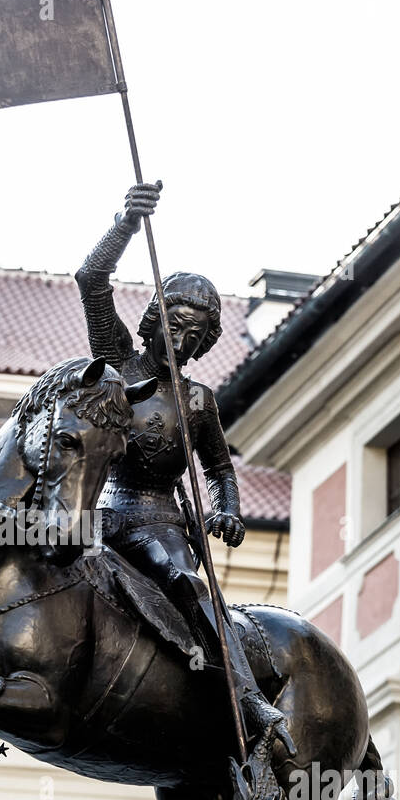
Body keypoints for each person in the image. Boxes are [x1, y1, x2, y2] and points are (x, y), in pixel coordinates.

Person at [75, 181, 290, 747]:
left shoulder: (198, 402)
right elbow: (91, 282)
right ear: (152, 320)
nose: (183, 335)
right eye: (175, 321)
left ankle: (245, 696)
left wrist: (229, 511)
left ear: (205, 342)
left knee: (187, 586)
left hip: (158, 523)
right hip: (101, 512)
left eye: (196, 331)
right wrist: (126, 221)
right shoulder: (116, 358)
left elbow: (219, 469)